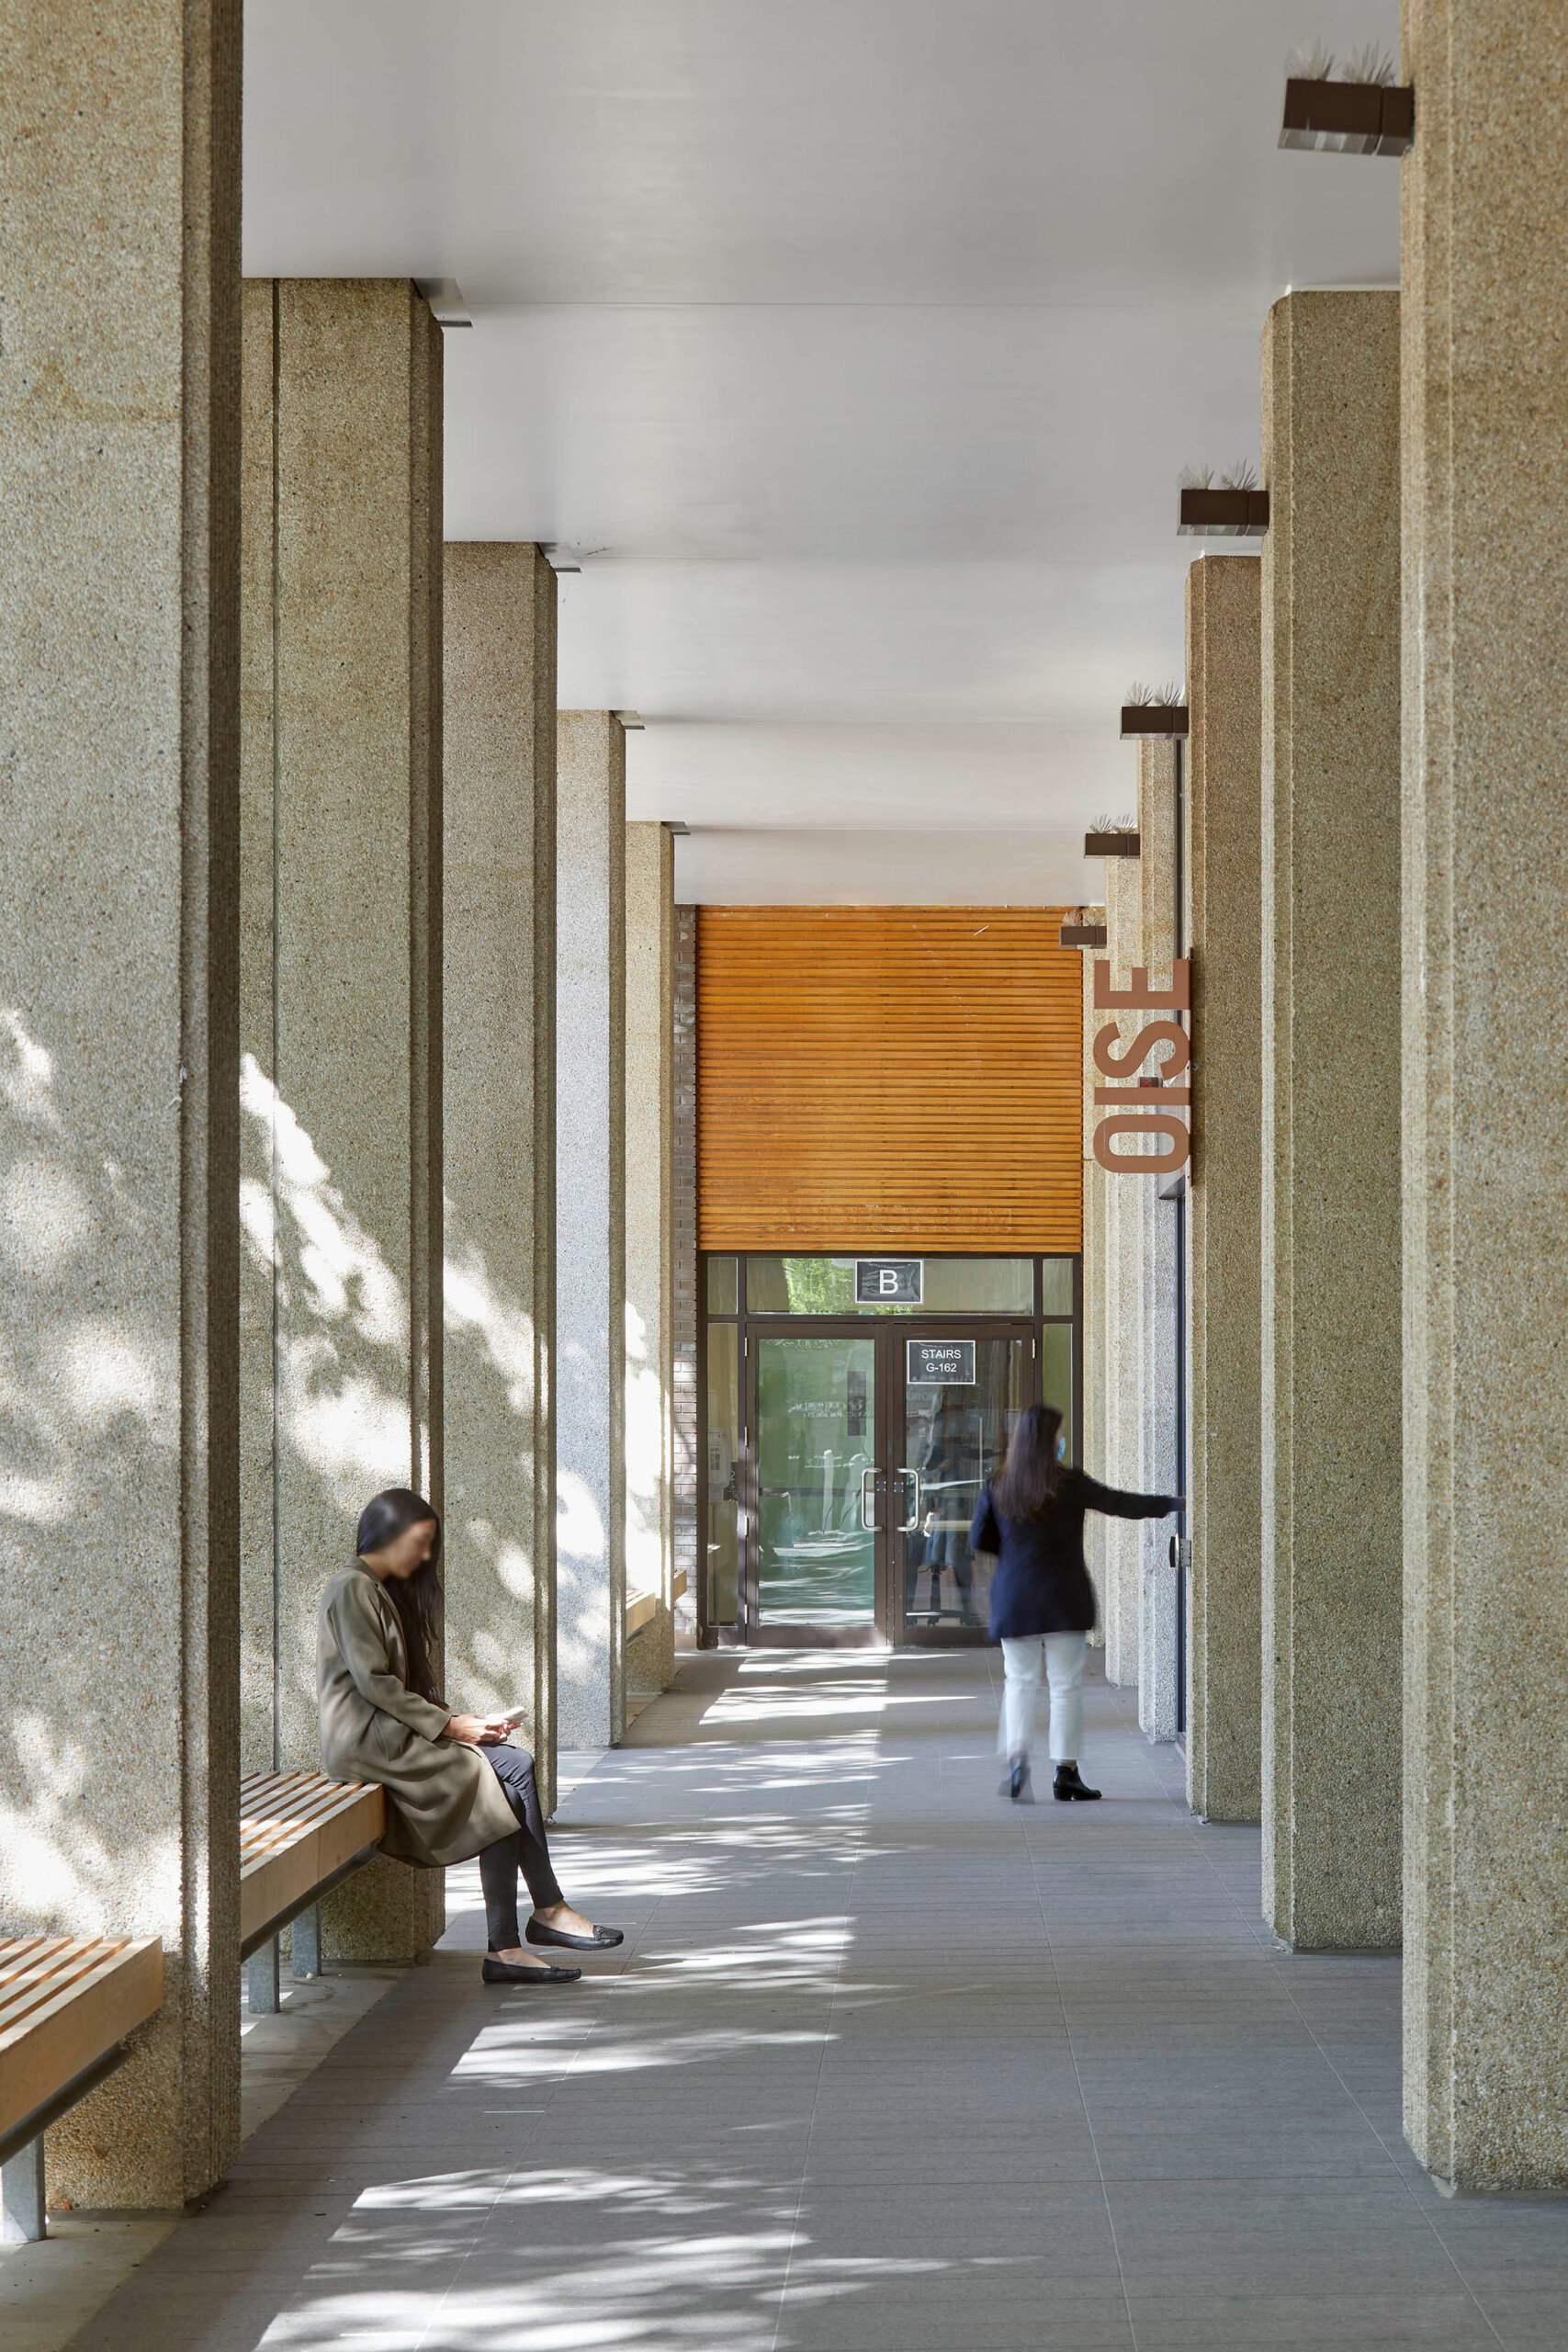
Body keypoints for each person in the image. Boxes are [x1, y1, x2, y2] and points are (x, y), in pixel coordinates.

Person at [318, 1487, 622, 1984]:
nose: (423, 1556)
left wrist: (467, 1721)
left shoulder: (375, 1588)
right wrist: (453, 1726)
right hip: (368, 1745)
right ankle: (531, 1924)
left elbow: (396, 1688)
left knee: (514, 1766)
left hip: (389, 1735)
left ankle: (526, 1929)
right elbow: (374, 1683)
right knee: (501, 1776)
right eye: (419, 1542)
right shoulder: (351, 1587)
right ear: (387, 1534)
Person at [970, 1405, 1179, 1804]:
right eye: (1059, 1433)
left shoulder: (998, 1484)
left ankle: (1017, 1762)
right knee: (1065, 1687)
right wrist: (1173, 1504)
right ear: (1050, 1440)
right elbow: (1120, 1503)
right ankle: (1066, 1774)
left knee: (1020, 1682)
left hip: (1016, 1599)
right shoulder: (1070, 1483)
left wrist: (1015, 1557)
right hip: (1063, 1598)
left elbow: (980, 1538)